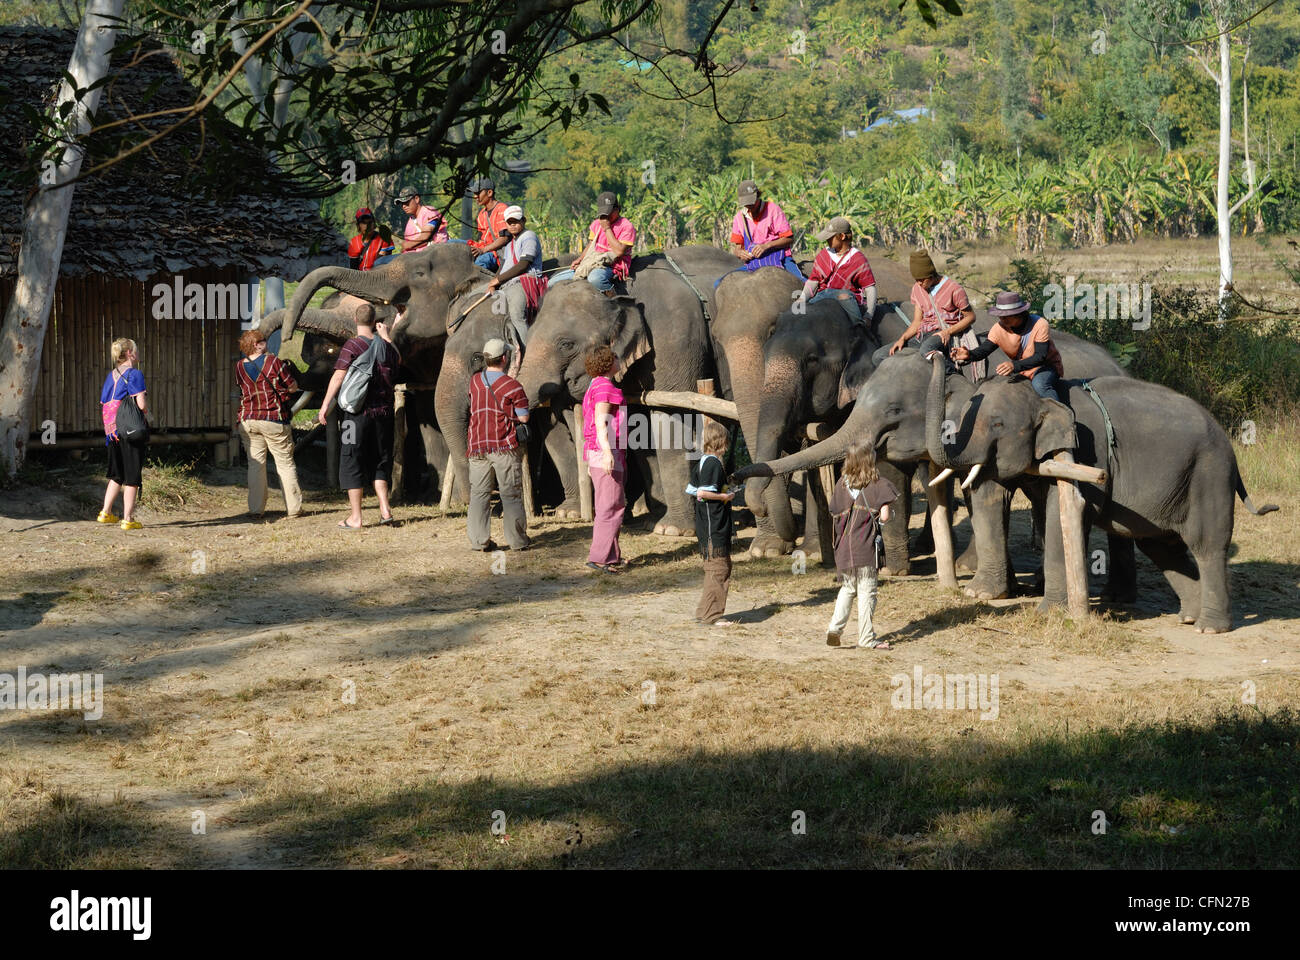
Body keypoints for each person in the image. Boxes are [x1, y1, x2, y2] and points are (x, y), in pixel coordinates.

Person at [318, 303, 400, 529]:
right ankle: (385, 509)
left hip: (355, 416)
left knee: (350, 458)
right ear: (375, 322)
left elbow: (337, 377)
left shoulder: (352, 345)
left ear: (355, 320)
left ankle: (356, 517)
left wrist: (325, 405)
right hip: (383, 414)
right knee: (381, 459)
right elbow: (397, 361)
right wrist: (387, 337)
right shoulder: (385, 346)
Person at [826, 441, 899, 649]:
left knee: (847, 588)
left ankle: (834, 629)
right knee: (867, 592)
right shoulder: (879, 484)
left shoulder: (841, 484)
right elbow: (884, 516)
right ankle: (867, 638)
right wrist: (885, 518)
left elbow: (834, 513)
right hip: (865, 547)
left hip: (843, 549)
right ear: (871, 460)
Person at [466, 338, 531, 552]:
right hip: (504, 445)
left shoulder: (474, 381)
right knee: (510, 493)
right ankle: (517, 541)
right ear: (505, 358)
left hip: (477, 445)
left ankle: (479, 541)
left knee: (479, 494)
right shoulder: (513, 386)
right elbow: (523, 418)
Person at [235, 329, 303, 519]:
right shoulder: (273, 362)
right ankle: (294, 508)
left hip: (248, 419)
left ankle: (256, 509)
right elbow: (292, 385)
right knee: (284, 463)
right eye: (263, 341)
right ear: (256, 344)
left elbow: (242, 389)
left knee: (255, 465)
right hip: (273, 418)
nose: (266, 343)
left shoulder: (239, 366)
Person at [954, 291, 1065, 400]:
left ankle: (1059, 416)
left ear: (1018, 314)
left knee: (1040, 385)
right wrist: (969, 354)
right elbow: (984, 350)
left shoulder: (1040, 324)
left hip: (1045, 367)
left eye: (1006, 316)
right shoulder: (998, 329)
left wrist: (1014, 366)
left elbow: (1040, 356)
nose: (1002, 319)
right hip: (1022, 370)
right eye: (1000, 315)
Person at [874, 249, 976, 368]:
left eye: (922, 279)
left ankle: (950, 374)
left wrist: (948, 332)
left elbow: (971, 317)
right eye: (916, 280)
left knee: (927, 349)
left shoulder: (954, 289)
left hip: (944, 334)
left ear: (931, 275)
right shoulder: (917, 289)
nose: (919, 283)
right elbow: (917, 321)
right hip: (922, 336)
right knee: (879, 356)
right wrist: (903, 338)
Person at [686, 421, 736, 626]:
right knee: (719, 569)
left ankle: (704, 612)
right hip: (713, 526)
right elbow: (701, 493)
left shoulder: (702, 461)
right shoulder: (714, 463)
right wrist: (726, 497)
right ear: (721, 442)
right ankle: (712, 616)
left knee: (715, 569)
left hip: (706, 525)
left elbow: (690, 488)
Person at [582, 345, 627, 572]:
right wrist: (608, 453)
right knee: (609, 506)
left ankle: (612, 555)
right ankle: (600, 558)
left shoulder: (595, 385)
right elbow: (601, 422)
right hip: (606, 451)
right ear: (609, 363)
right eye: (615, 357)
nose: (619, 360)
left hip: (599, 452)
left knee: (612, 503)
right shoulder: (604, 387)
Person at [98, 337, 149, 530]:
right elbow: (141, 404)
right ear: (129, 353)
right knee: (132, 475)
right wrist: (144, 413)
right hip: (129, 429)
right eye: (135, 350)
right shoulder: (134, 374)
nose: (137, 353)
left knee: (116, 474)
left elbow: (105, 403)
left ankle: (106, 512)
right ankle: (127, 519)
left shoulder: (110, 376)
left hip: (112, 431)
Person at [550, 192, 636, 295]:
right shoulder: (596, 224)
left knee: (595, 279)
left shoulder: (626, 226)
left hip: (612, 265)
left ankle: (615, 301)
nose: (606, 217)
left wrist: (607, 228)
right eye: (603, 214)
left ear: (617, 209)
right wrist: (580, 259)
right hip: (592, 261)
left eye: (609, 213)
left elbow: (619, 251)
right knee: (552, 282)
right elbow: (591, 244)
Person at [485, 205, 546, 347]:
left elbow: (523, 264)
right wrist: (493, 283)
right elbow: (504, 266)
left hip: (523, 281)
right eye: (509, 222)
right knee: (493, 310)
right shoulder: (510, 243)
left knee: (517, 316)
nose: (512, 225)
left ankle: (528, 352)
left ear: (523, 221)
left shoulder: (529, 236)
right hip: (508, 283)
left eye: (516, 221)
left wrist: (498, 280)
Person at [800, 216, 877, 322]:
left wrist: (869, 316)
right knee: (800, 313)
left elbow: (869, 288)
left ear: (842, 236)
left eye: (830, 237)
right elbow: (813, 281)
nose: (827, 240)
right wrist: (802, 299)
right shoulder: (823, 255)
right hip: (823, 295)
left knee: (844, 296)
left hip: (847, 298)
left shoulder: (858, 259)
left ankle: (859, 328)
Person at [726, 180, 804, 281]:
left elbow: (789, 239)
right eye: (746, 204)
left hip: (781, 258)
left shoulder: (773, 210)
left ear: (758, 195)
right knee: (719, 283)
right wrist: (739, 253)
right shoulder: (739, 218)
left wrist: (766, 246)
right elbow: (737, 248)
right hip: (753, 263)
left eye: (752, 202)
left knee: (801, 283)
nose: (749, 206)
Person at [374, 188, 446, 266]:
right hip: (412, 256)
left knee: (379, 263)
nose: (404, 206)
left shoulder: (429, 212)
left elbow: (425, 238)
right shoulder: (411, 221)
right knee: (379, 262)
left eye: (406, 202)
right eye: (402, 204)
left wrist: (406, 245)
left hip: (430, 254)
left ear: (416, 199)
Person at [468, 177, 510, 271]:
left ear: (489, 193)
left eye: (478, 193)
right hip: (483, 248)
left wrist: (482, 250)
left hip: (496, 253)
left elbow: (504, 239)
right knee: (453, 243)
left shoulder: (502, 209)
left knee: (480, 263)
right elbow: (480, 239)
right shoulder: (481, 214)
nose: (475, 196)